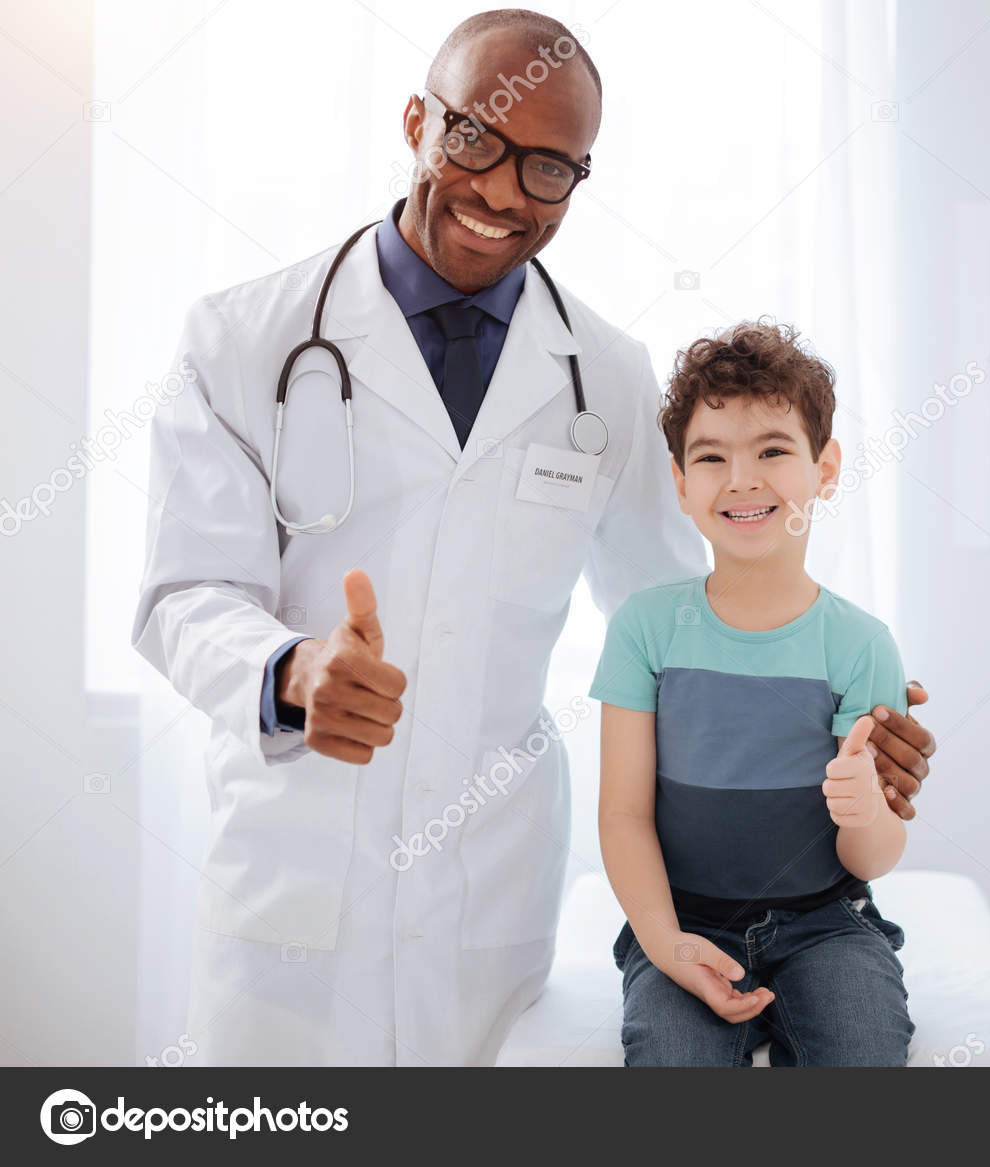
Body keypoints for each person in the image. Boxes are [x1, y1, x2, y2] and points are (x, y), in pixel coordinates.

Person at [130, 10, 935, 1066]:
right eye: (474, 138)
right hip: (298, 856)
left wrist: (840, 726)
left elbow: (684, 611)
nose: (505, 191)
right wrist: (290, 669)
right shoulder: (241, 338)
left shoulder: (600, 371)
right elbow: (180, 593)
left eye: (549, 167)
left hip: (489, 878)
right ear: (417, 120)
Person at [593, 321, 915, 1066]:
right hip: (684, 921)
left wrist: (863, 807)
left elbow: (875, 853)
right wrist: (666, 942)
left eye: (772, 450)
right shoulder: (646, 628)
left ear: (825, 467)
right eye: (712, 457)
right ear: (680, 483)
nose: (742, 478)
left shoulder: (861, 644)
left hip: (827, 924)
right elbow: (622, 813)